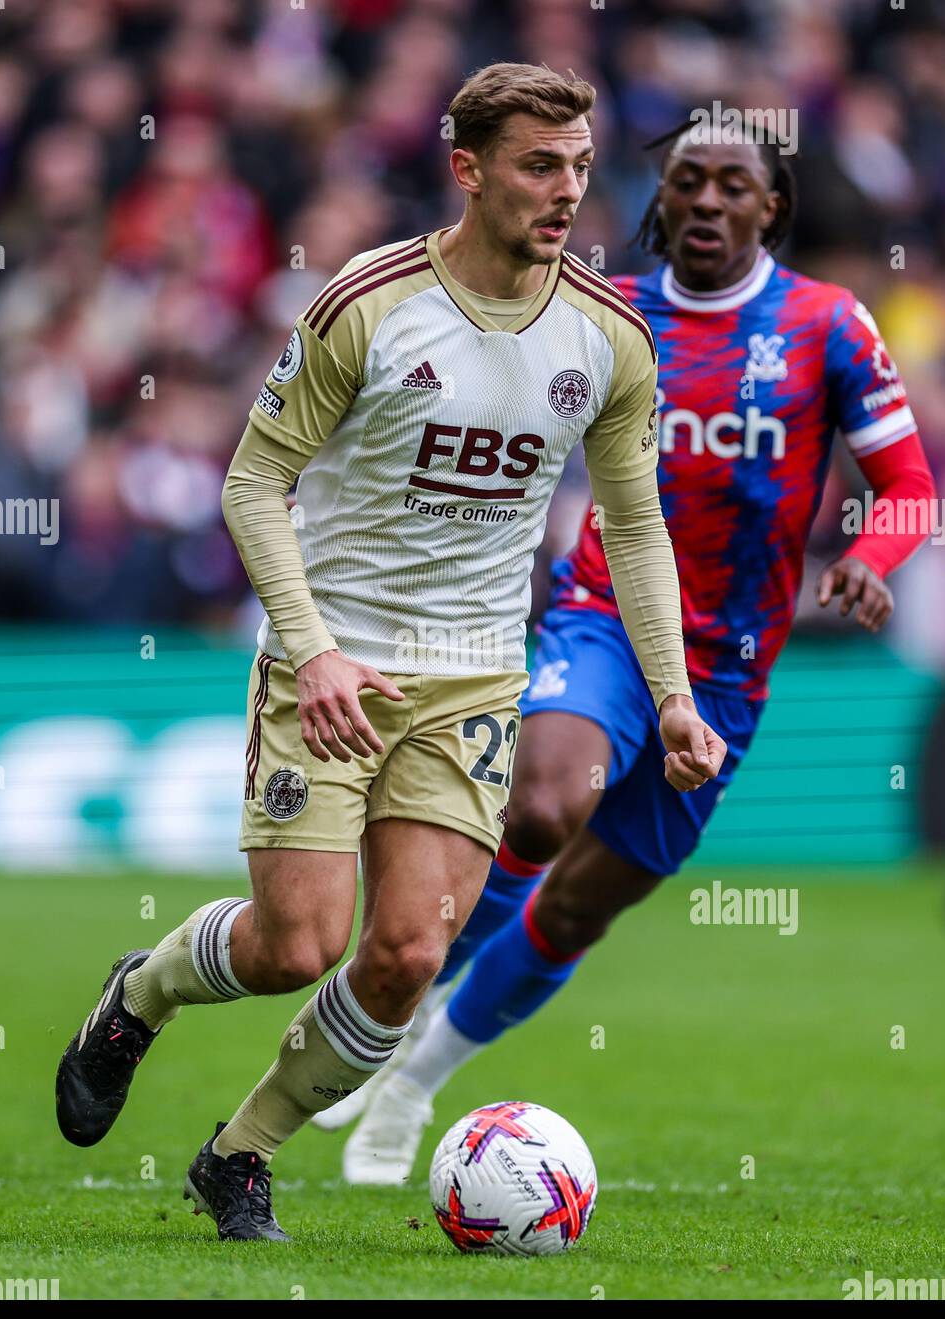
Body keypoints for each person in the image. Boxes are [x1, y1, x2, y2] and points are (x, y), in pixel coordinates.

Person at [54, 65, 726, 1240]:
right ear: (467, 169)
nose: (567, 190)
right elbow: (255, 482)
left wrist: (670, 695)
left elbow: (631, 521)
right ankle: (141, 992)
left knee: (408, 951)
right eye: (537, 165)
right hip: (337, 660)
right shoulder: (367, 303)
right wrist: (308, 651)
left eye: (578, 165)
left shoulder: (610, 336)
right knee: (292, 945)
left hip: (476, 675)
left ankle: (240, 1153)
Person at [332, 118, 937, 1184]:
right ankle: (403, 987)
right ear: (660, 200)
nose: (706, 200)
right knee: (541, 801)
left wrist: (875, 562)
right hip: (603, 615)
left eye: (732, 185)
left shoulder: (827, 326)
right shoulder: (602, 313)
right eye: (686, 181)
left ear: (771, 208)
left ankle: (418, 1077)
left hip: (729, 669)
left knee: (575, 906)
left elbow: (909, 489)